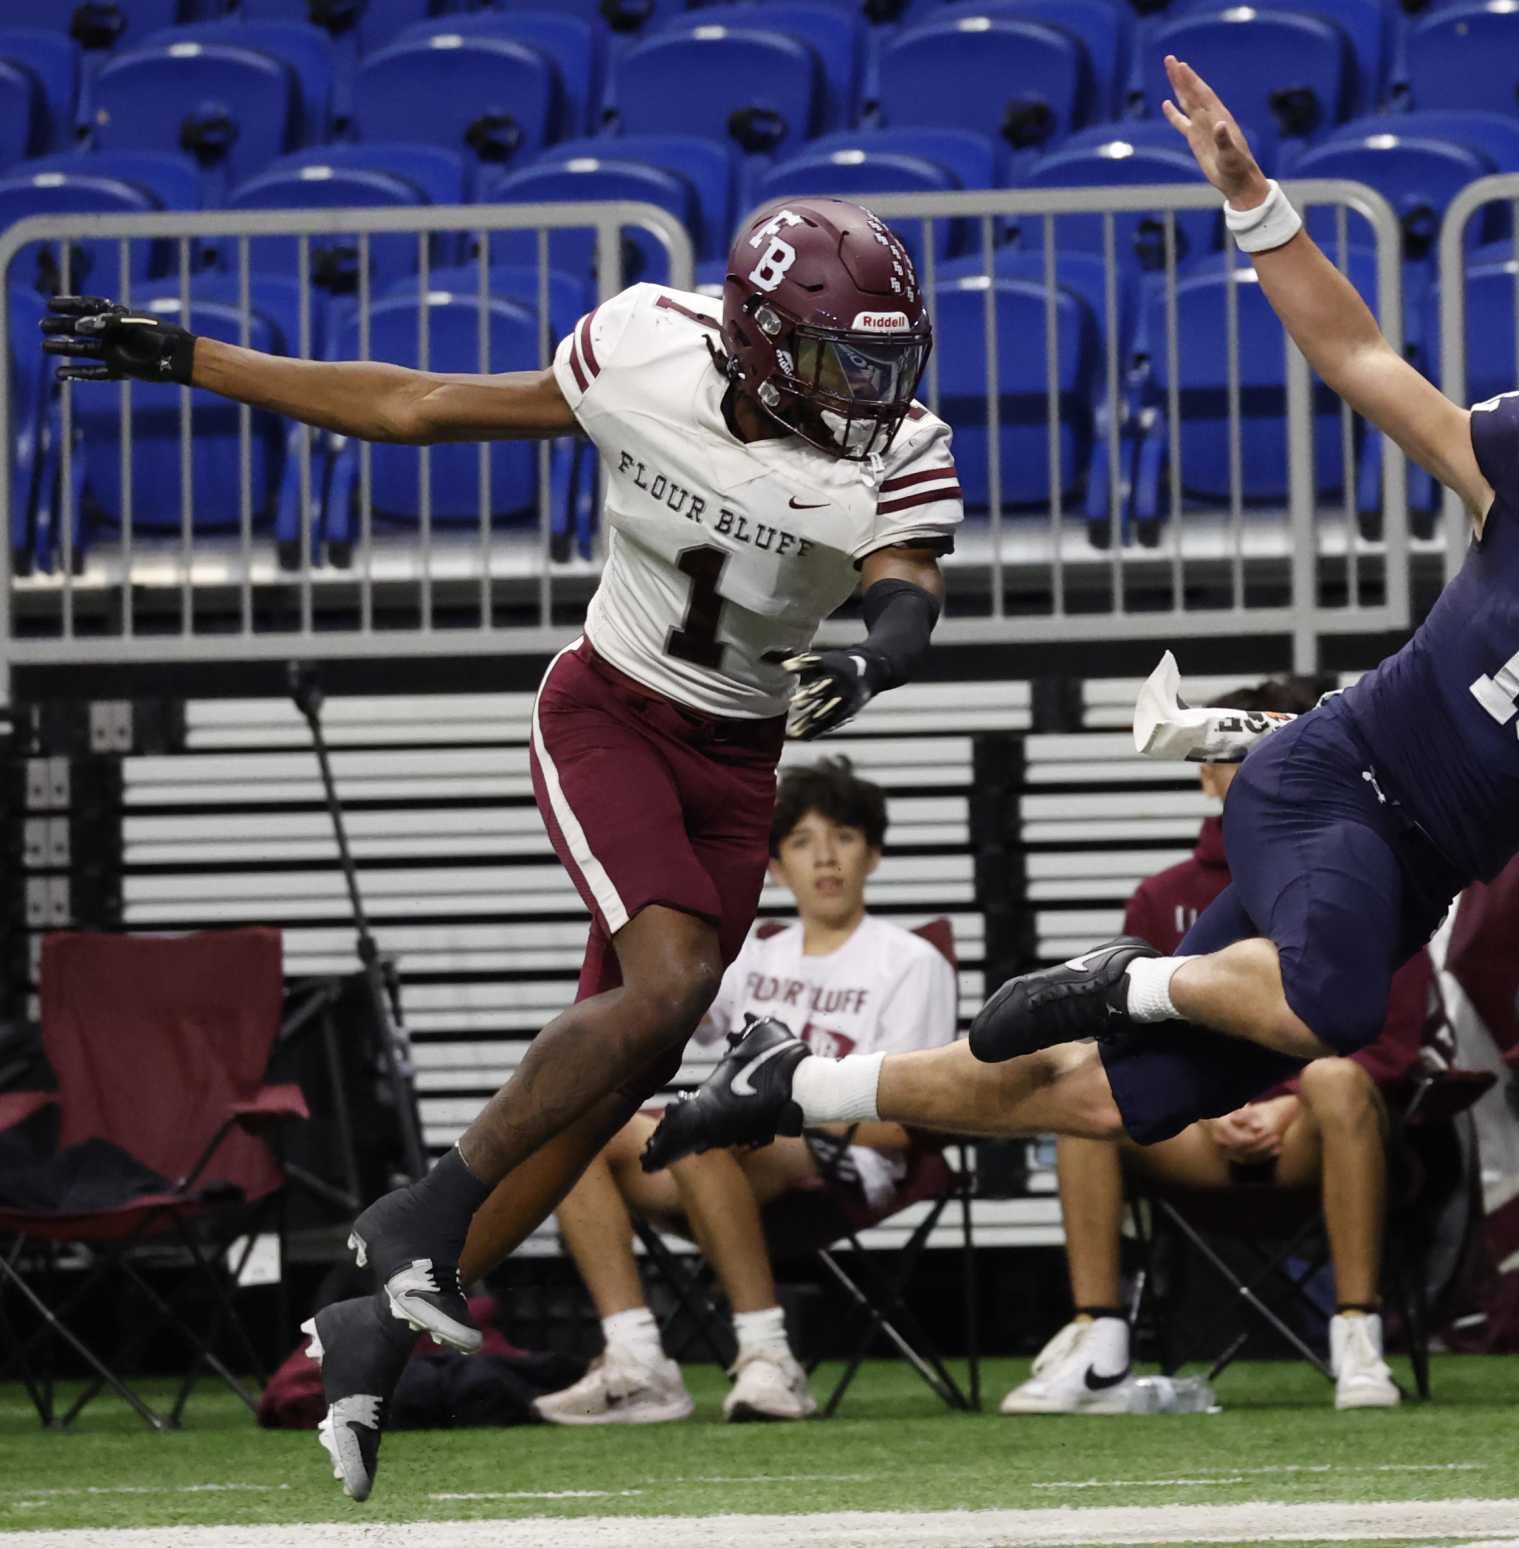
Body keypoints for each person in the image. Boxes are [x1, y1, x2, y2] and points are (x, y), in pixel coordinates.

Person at [636, 61, 1519, 1226]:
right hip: (1334, 782)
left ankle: (790, 1082)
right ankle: (1125, 975)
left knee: (1108, 1098)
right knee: (1328, 1009)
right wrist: (1252, 201)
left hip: (1412, 870)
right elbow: (1360, 358)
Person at [42, 197, 962, 1501]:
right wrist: (199, 358)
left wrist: (872, 663)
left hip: (742, 762)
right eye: (836, 360)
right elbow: (416, 403)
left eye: (883, 360)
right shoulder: (642, 348)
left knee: (622, 1059)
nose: (868, 390)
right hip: (613, 716)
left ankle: (382, 1317)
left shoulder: (901, 447)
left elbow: (908, 590)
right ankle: (408, 1230)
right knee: (664, 988)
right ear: (757, 341)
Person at [1003, 676, 1406, 1415]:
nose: (1256, 764)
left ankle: (1357, 1336)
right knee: (1088, 1100)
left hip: (1308, 1137)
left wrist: (1285, 1107)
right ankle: (1099, 1342)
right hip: (1191, 1133)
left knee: (1338, 1083)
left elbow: (1397, 1039)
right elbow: (1131, 1039)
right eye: (1234, 749)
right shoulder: (1161, 895)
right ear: (1206, 771)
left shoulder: (1372, 875)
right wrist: (1204, 1112)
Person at [532, 758, 957, 1426]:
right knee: (567, 1128)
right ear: (775, 868)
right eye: (800, 843)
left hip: (851, 1157)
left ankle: (768, 1356)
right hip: (722, 1162)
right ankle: (636, 1357)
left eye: (843, 837)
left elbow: (910, 1116)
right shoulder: (753, 950)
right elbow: (664, 1015)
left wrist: (777, 1115)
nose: (825, 858)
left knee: (708, 1127)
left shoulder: (909, 960)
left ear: (873, 852)